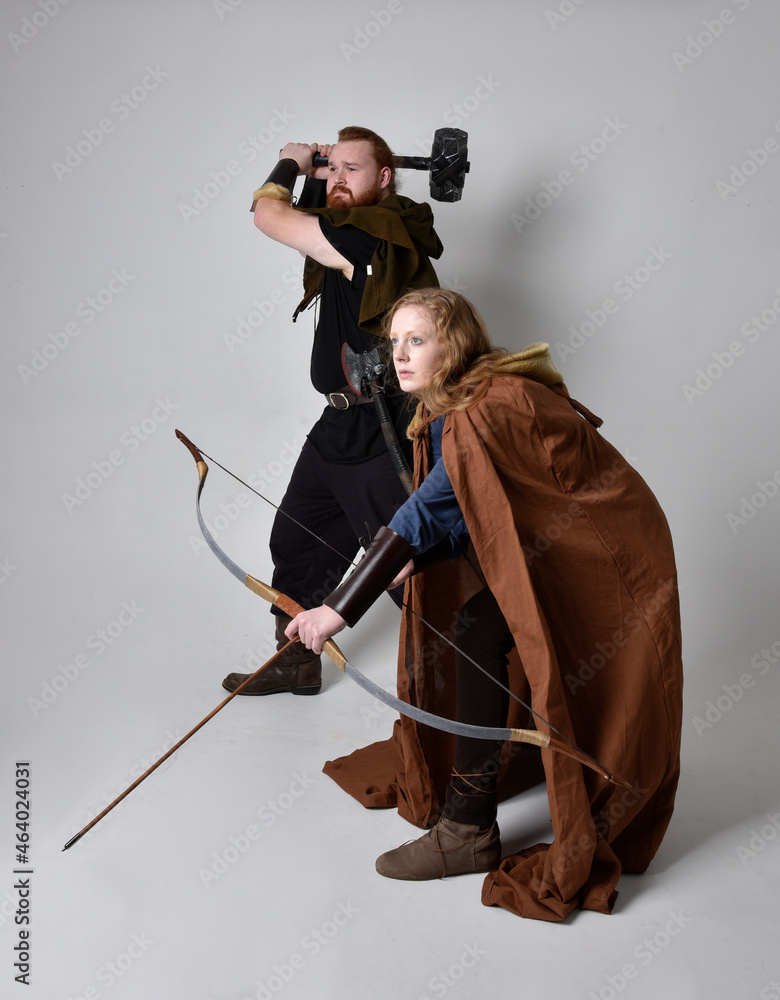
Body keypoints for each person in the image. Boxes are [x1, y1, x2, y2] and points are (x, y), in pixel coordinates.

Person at [286, 288, 683, 922]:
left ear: (454, 346)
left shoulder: (487, 405)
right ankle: (472, 817)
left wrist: (337, 610)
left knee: (491, 631)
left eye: (417, 340)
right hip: (556, 550)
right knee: (474, 627)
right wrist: (419, 557)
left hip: (606, 557)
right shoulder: (452, 406)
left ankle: (467, 830)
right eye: (395, 342)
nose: (399, 355)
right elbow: (479, 506)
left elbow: (432, 505)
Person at [222, 127, 443, 697]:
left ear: (385, 178)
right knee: (301, 539)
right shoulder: (349, 226)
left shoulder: (371, 236)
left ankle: (468, 688)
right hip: (339, 424)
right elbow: (319, 209)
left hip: (383, 429)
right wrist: (325, 169)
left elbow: (268, 215)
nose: (339, 179)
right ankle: (296, 661)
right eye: (333, 168)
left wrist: (292, 163)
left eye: (353, 169)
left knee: (407, 565)